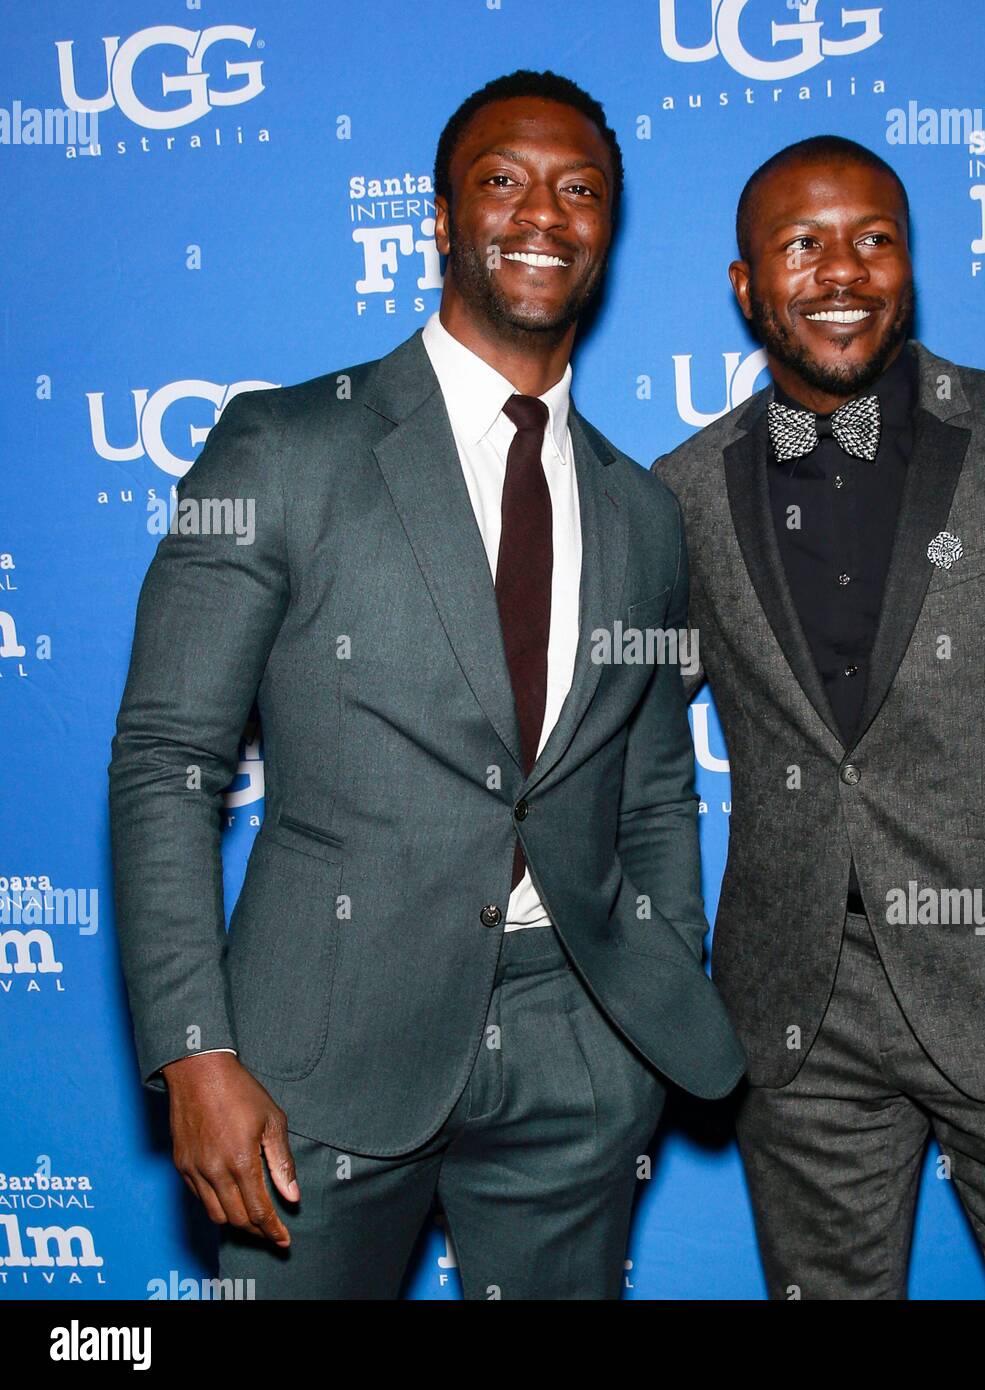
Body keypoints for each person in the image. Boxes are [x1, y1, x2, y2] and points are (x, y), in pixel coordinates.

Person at [109, 68, 743, 1301]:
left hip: (579, 1047)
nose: (541, 215)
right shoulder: (285, 446)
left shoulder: (643, 510)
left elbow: (657, 782)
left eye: (580, 190)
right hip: (319, 1058)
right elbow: (167, 764)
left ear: (608, 227)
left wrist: (648, 1015)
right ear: (442, 219)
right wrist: (197, 1052)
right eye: (501, 181)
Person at [652, 135, 985, 1299]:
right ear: (746, 286)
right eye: (801, 246)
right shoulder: (679, 493)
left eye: (873, 238)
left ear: (910, 263)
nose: (840, 270)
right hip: (794, 1025)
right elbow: (621, 746)